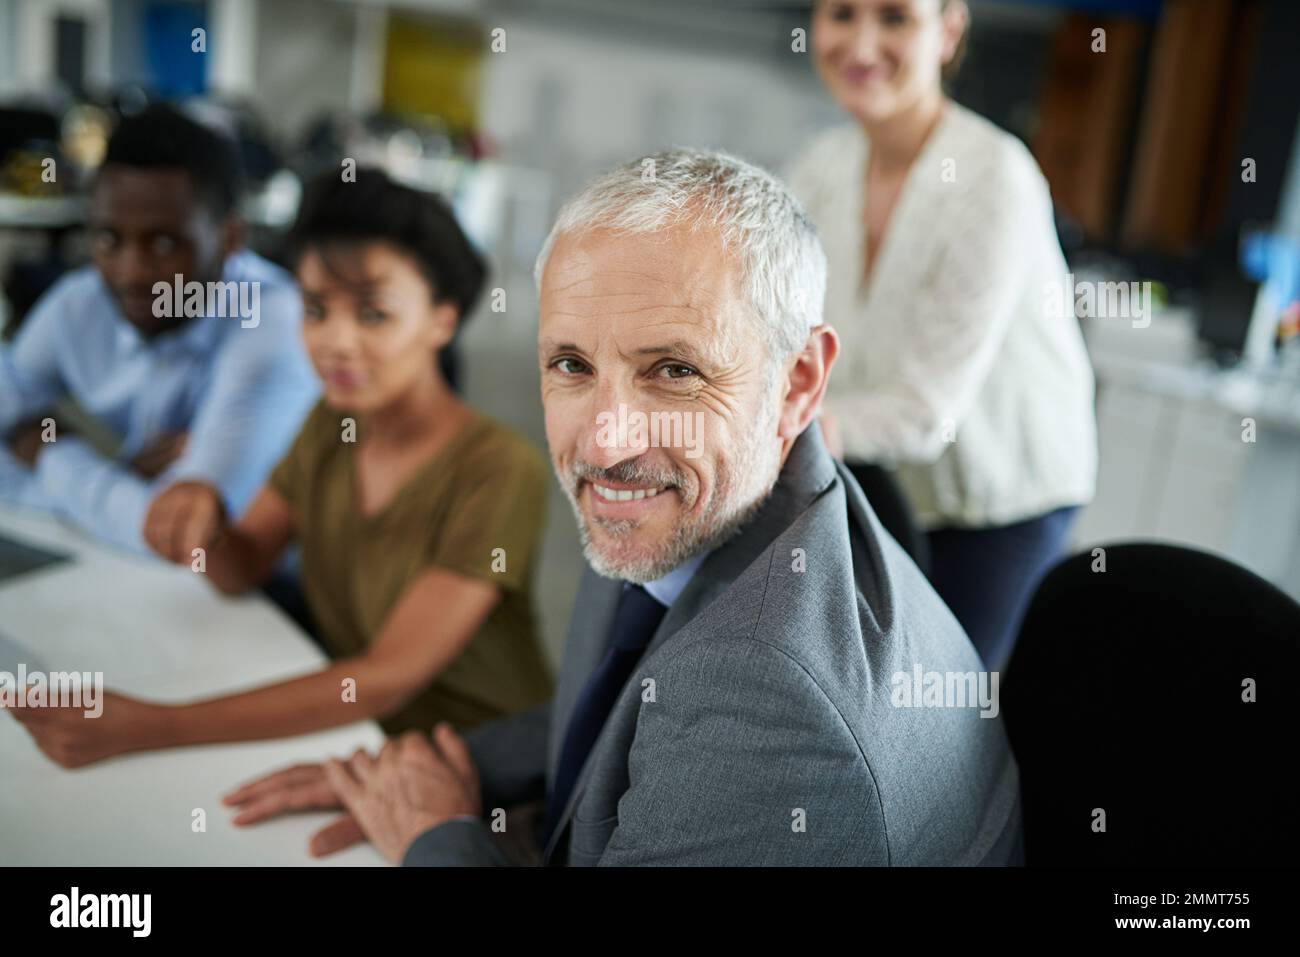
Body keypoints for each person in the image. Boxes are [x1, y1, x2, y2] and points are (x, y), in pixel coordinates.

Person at [221, 149, 1022, 866]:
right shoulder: (699, 505)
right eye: (571, 363)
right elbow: (607, 710)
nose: (604, 444)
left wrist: (437, 833)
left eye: (673, 370)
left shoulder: (776, 703)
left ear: (800, 381)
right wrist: (397, 768)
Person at [7, 168, 554, 767]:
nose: (335, 341)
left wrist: (153, 724)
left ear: (442, 321)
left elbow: (388, 674)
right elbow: (241, 567)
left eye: (373, 315)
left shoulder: (499, 468)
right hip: (354, 734)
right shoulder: (332, 425)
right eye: (316, 309)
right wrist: (206, 516)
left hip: (486, 758)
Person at [786, 0, 1098, 670]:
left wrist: (775, 424)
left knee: (935, 707)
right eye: (842, 14)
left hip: (999, 496)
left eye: (895, 17)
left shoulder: (993, 176)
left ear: (948, 31)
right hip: (886, 479)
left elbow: (925, 414)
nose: (862, 44)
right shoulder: (821, 166)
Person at [0, 104, 317, 553]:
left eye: (164, 243)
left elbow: (182, 539)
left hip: (266, 602)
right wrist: (117, 478)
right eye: (109, 239)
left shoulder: (272, 319)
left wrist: (51, 453)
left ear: (230, 240)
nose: (130, 273)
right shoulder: (82, 300)